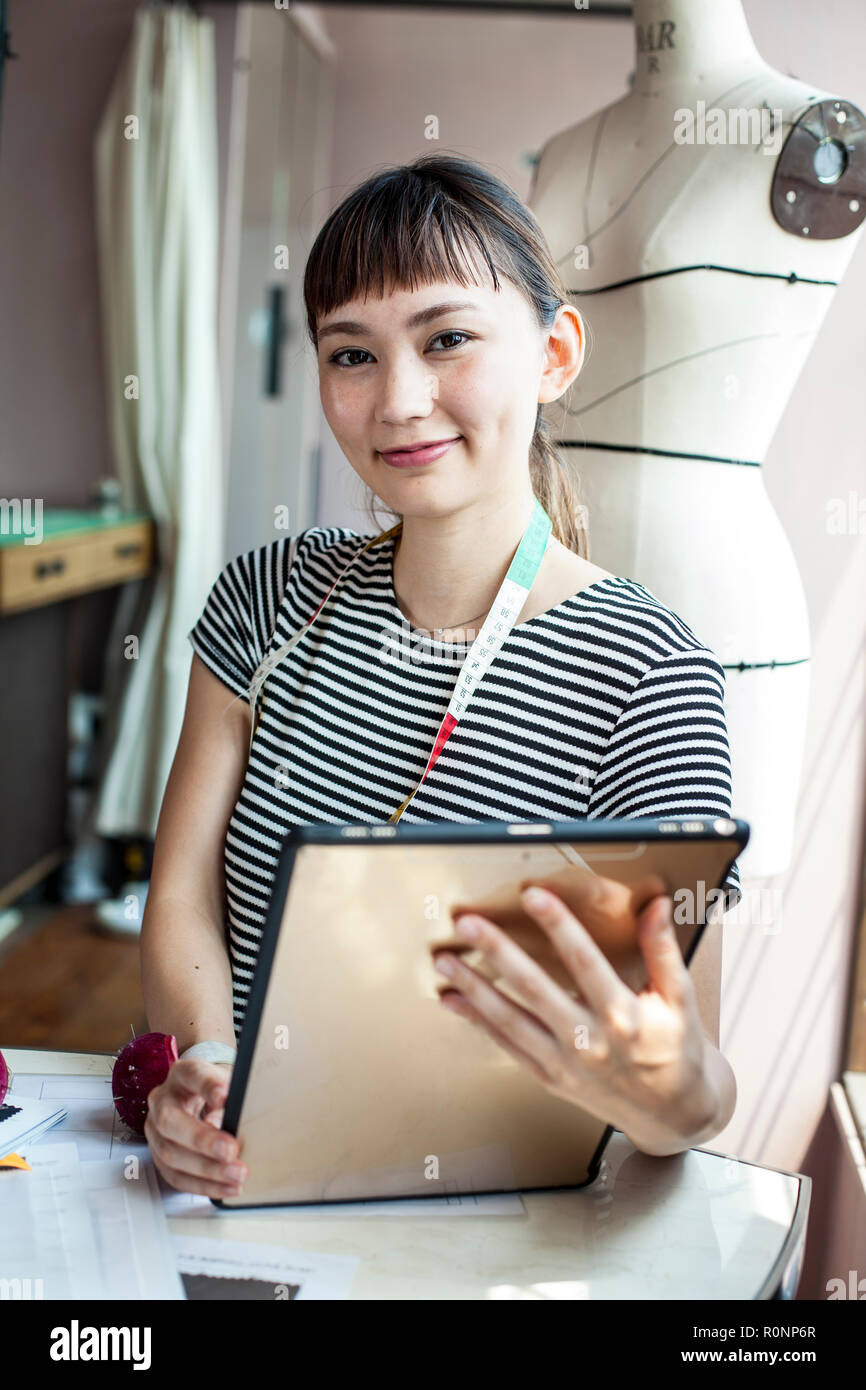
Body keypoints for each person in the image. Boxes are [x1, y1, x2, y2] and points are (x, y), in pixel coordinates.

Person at [142, 153, 741, 1200]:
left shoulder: (652, 670)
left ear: (553, 353)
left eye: (447, 338)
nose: (399, 400)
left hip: (491, 1221)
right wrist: (209, 1065)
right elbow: (184, 892)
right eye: (351, 354)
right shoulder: (264, 599)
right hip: (243, 1183)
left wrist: (663, 1090)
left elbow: (687, 1083)